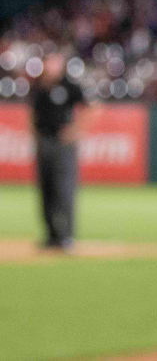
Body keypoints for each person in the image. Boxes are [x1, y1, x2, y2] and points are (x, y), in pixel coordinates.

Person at [30, 51, 85, 251]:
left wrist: (76, 130)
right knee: (46, 190)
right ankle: (52, 235)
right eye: (48, 63)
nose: (50, 66)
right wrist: (34, 136)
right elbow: (32, 114)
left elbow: (93, 107)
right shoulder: (39, 87)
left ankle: (67, 236)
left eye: (54, 63)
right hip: (44, 142)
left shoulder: (68, 85)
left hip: (62, 144)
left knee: (64, 190)